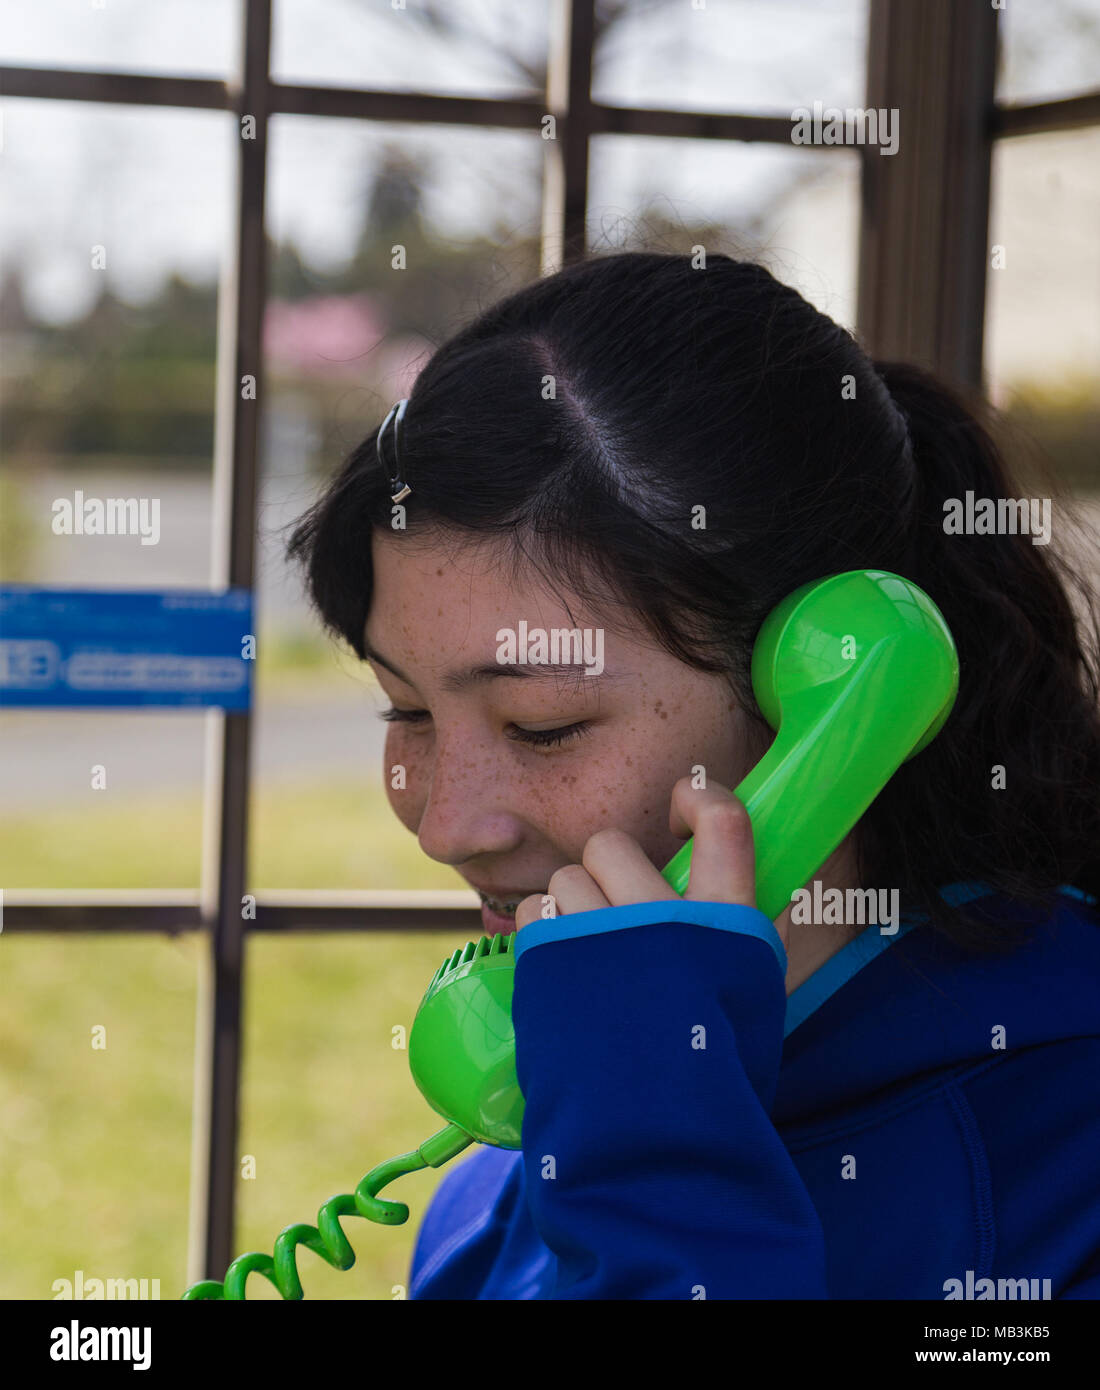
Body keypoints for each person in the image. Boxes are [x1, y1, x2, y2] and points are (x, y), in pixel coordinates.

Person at [286, 251, 1100, 1300]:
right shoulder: (532, 1146)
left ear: (840, 693)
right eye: (406, 709)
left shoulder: (1058, 1176)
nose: (446, 825)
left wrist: (657, 1170)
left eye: (543, 725)